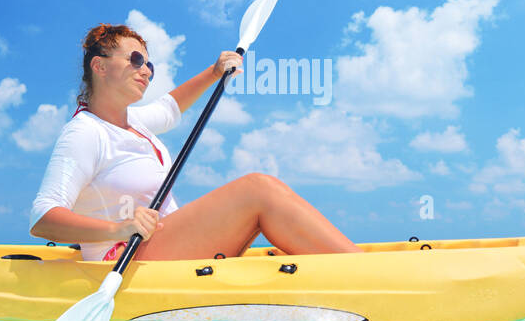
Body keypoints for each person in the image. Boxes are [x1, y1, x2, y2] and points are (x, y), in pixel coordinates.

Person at [29, 23, 362, 261]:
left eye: (149, 64)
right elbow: (43, 218)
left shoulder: (137, 124)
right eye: (135, 60)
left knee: (260, 191)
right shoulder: (85, 132)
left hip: (158, 246)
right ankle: (363, 271)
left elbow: (170, 108)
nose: (145, 70)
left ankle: (354, 265)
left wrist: (215, 71)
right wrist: (119, 227)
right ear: (99, 66)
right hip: (124, 257)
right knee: (258, 189)